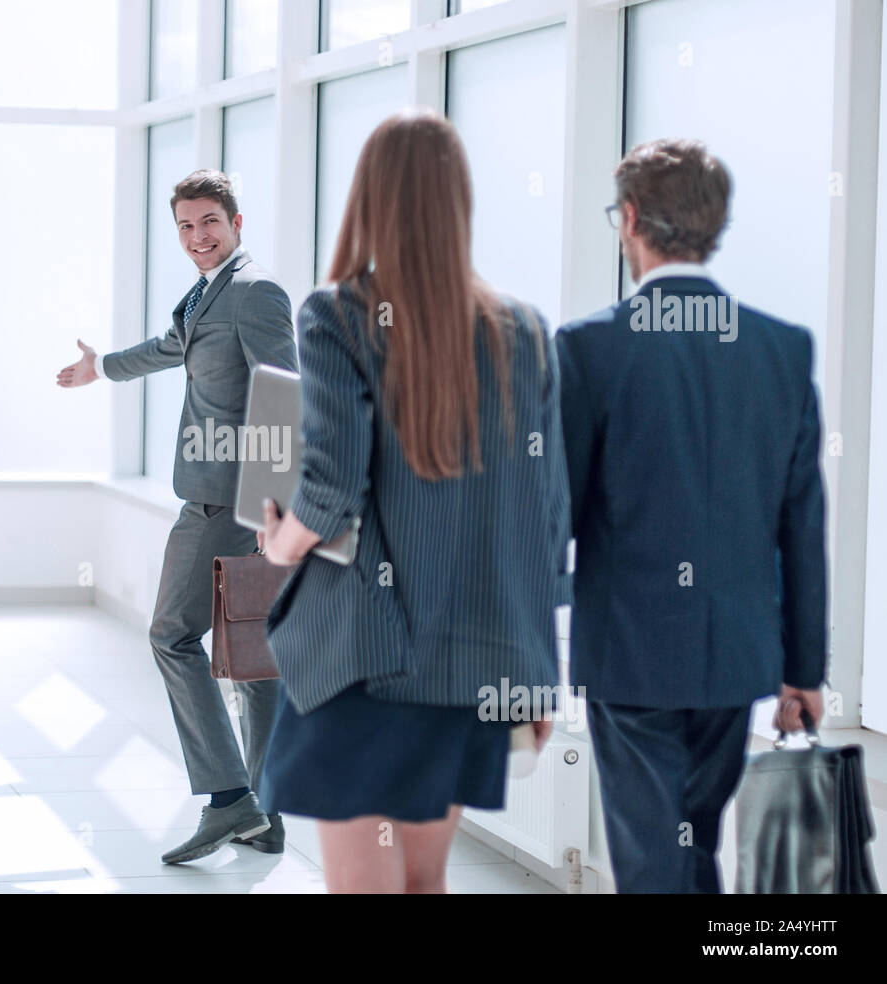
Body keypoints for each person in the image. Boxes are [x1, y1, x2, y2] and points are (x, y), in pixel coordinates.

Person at [256, 108, 570, 894]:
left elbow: (329, 487)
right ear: (458, 203)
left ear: (369, 198)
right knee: (425, 883)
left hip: (368, 662)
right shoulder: (523, 331)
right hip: (470, 666)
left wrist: (279, 544)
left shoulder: (338, 316)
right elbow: (546, 518)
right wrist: (537, 673)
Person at [555, 138, 827, 893]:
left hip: (631, 658)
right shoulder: (780, 349)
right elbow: (801, 525)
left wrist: (518, 650)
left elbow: (557, 516)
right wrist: (804, 670)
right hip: (738, 659)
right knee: (690, 850)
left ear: (632, 219)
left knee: (655, 863)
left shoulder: (590, 348)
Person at [56, 169, 298, 863]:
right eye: (186, 227)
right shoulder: (206, 294)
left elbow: (284, 393)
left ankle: (228, 800)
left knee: (169, 633)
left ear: (237, 221)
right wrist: (100, 365)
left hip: (231, 505)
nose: (197, 237)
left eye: (209, 223)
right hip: (227, 498)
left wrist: (270, 510)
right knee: (253, 660)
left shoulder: (255, 292)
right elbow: (171, 350)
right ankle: (265, 813)